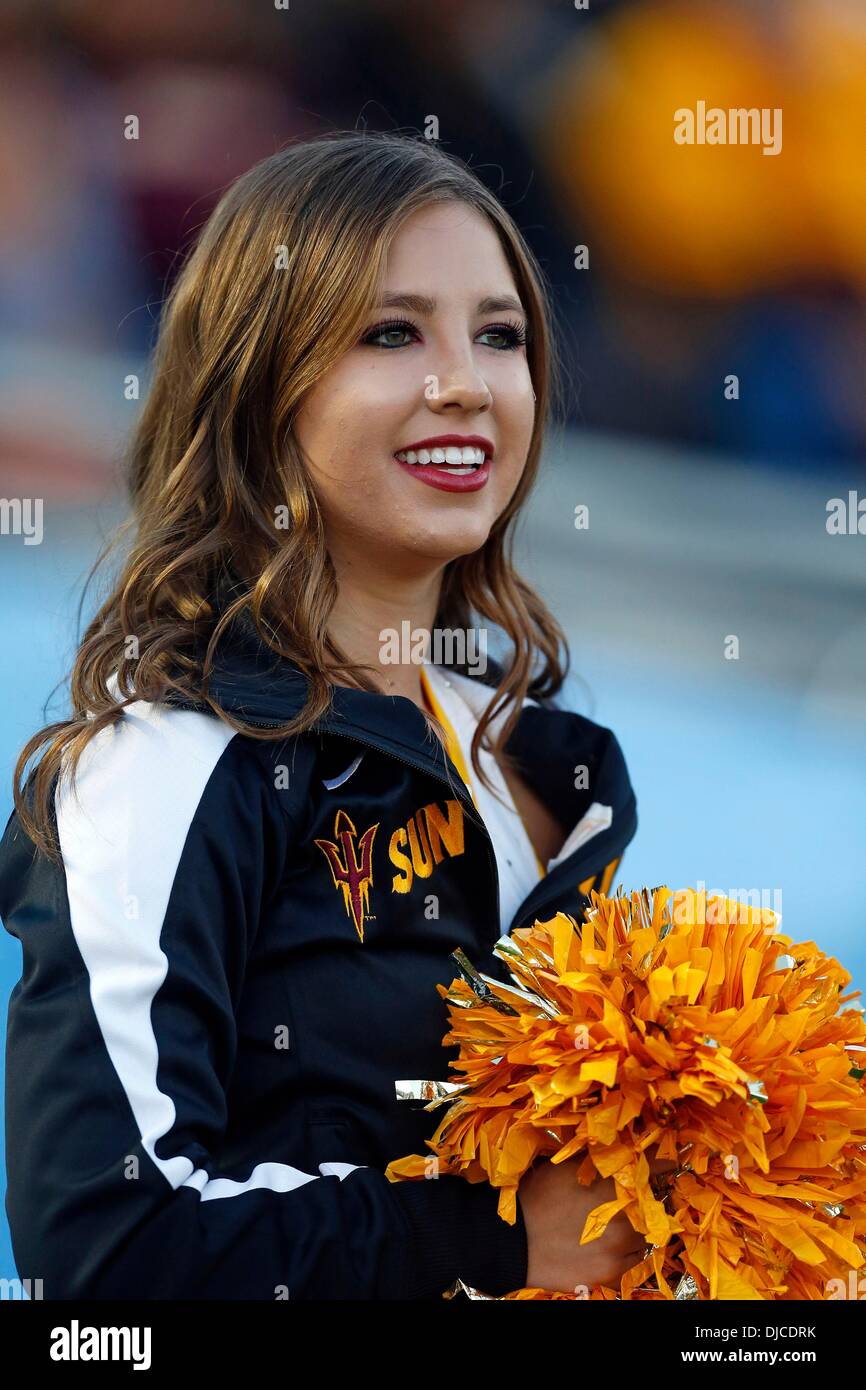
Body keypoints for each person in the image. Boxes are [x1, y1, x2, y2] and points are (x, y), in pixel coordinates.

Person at [0, 130, 652, 1301]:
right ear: (259, 383)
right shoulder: (169, 765)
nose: (463, 381)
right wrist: (488, 1241)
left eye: (497, 335)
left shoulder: (549, 769)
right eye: (390, 333)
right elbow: (101, 1254)